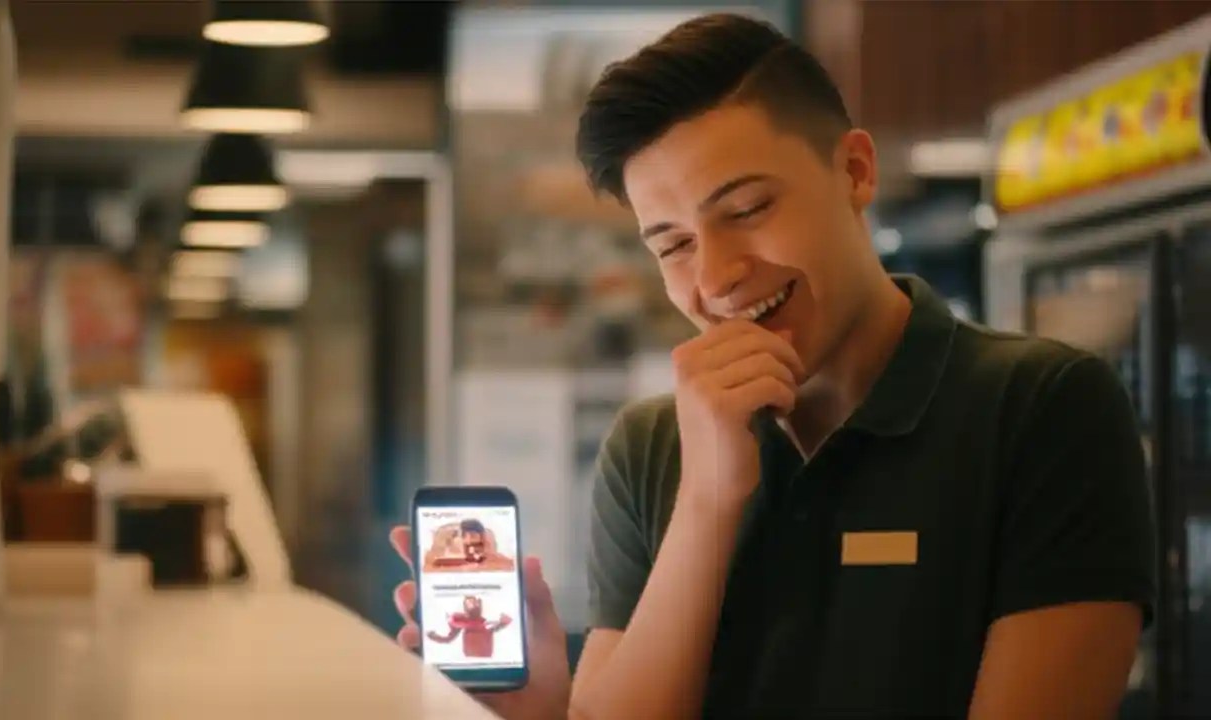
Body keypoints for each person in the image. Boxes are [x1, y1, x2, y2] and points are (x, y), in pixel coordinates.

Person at [390, 12, 1156, 720]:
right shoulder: (653, 447)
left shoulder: (1044, 406)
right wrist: (710, 500)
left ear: (855, 171)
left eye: (748, 209)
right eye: (673, 245)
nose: (717, 276)